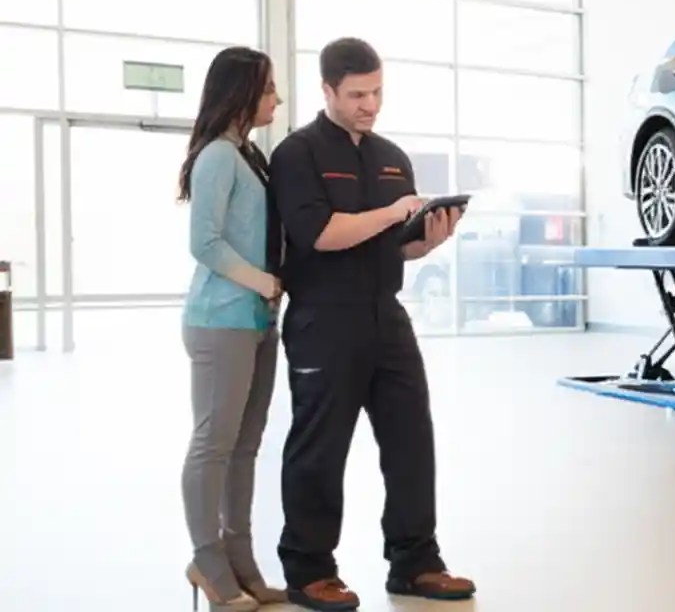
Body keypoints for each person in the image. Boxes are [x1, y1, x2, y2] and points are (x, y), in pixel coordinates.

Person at [268, 37, 474, 611]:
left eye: (377, 91)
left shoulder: (391, 155)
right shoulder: (297, 154)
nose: (370, 104)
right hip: (322, 318)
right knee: (320, 447)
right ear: (328, 90)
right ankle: (309, 569)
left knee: (412, 439)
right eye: (357, 94)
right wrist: (393, 211)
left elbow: (393, 247)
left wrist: (426, 240)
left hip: (387, 314)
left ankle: (415, 561)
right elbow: (322, 235)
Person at [178, 46, 287, 612]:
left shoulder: (250, 155)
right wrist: (263, 282)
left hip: (257, 322)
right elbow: (204, 242)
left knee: (244, 448)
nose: (277, 99)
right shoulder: (218, 156)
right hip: (221, 320)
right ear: (243, 92)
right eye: (269, 89)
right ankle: (207, 559)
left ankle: (240, 559)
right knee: (213, 445)